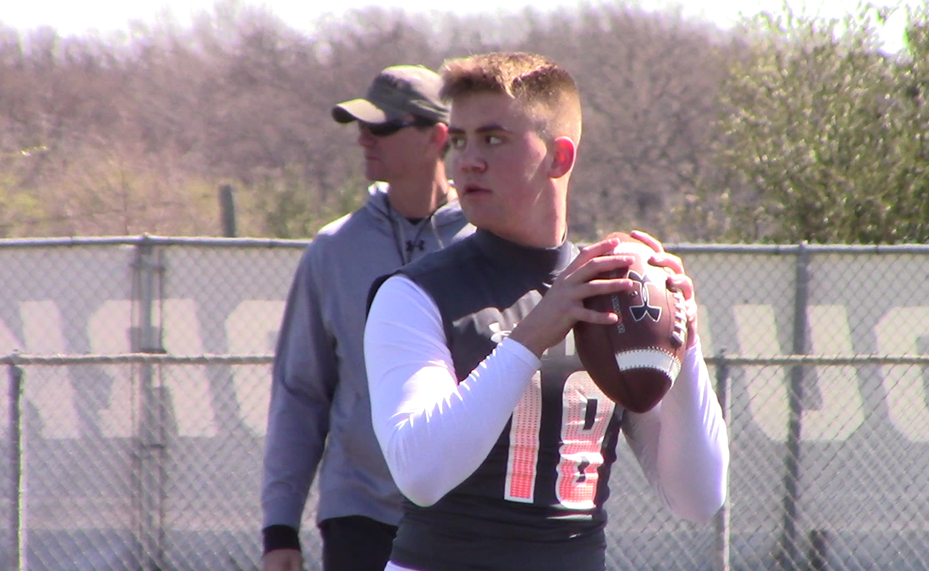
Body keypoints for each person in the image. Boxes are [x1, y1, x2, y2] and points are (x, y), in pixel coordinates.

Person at [363, 52, 729, 571]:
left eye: (493, 139)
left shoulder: (610, 293)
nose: (467, 160)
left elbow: (697, 497)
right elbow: (420, 473)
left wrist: (684, 345)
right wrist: (529, 338)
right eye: (460, 140)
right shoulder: (414, 293)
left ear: (559, 158)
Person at [262, 64, 474, 571]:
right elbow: (299, 393)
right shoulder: (333, 249)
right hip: (358, 514)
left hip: (467, 516)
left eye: (382, 127)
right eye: (360, 126)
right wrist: (279, 528)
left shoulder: (485, 244)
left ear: (436, 137)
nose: (363, 139)